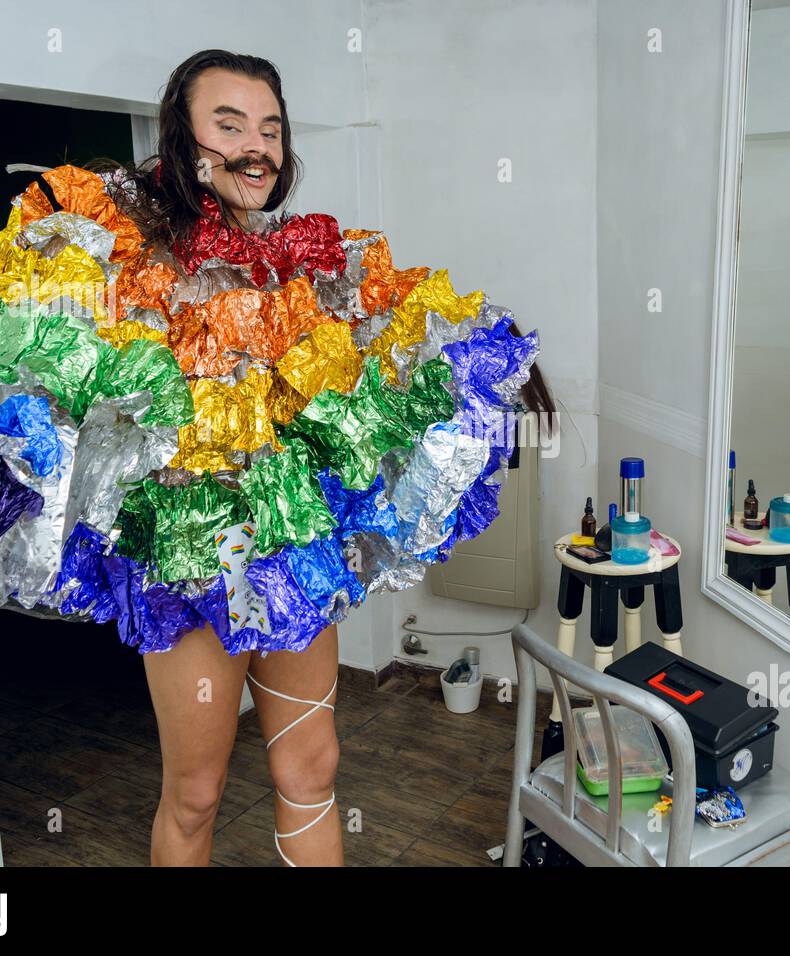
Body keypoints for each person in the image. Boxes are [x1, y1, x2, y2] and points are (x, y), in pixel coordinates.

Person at [90, 50, 557, 866]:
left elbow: (397, 326)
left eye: (269, 128)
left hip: (289, 539)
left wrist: (492, 360)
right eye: (228, 124)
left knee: (311, 768)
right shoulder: (140, 266)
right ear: (182, 140)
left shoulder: (305, 261)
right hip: (190, 555)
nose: (255, 146)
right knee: (195, 794)